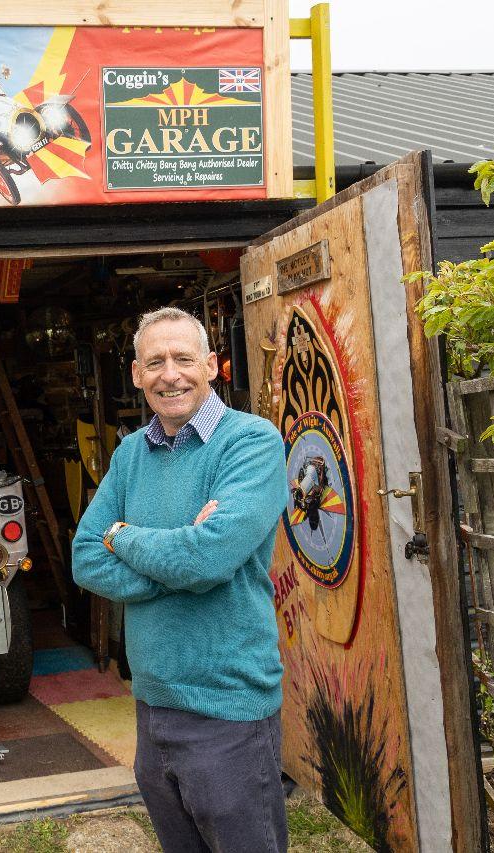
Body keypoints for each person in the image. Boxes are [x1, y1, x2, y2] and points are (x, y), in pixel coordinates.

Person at [72, 306, 289, 852]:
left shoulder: (251, 443)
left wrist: (122, 536)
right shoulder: (130, 453)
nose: (170, 374)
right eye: (155, 362)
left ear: (212, 366)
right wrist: (180, 565)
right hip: (152, 702)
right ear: (137, 374)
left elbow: (207, 558)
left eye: (184, 358)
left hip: (228, 703)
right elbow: (83, 557)